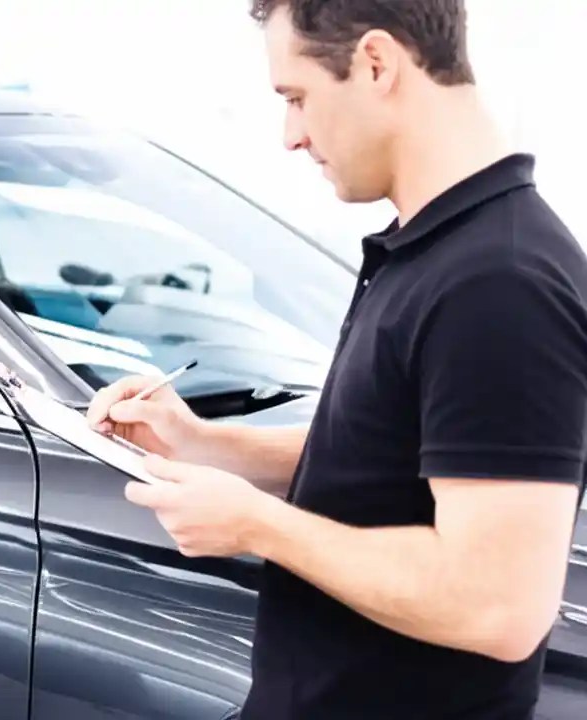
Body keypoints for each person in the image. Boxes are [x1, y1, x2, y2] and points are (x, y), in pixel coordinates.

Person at [86, 1, 587, 718]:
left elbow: (495, 606)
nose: (292, 136)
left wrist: (258, 525)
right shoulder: (436, 246)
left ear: (377, 63)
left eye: (297, 98)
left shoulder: (499, 283)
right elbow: (388, 456)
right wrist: (202, 442)